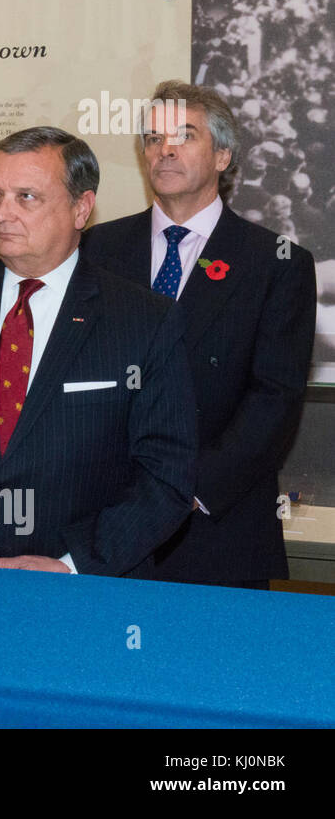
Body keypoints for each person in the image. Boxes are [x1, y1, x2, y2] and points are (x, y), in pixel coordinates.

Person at [0, 127, 196, 576]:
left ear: (81, 207)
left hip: (82, 593)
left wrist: (73, 565)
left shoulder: (144, 320)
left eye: (26, 197)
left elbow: (166, 476)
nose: (2, 213)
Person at [84, 83, 317, 588]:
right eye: (152, 138)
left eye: (183, 137)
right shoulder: (95, 250)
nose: (163, 150)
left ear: (223, 156)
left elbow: (273, 399)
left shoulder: (276, 264)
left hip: (215, 527)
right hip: (101, 521)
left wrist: (183, 491)